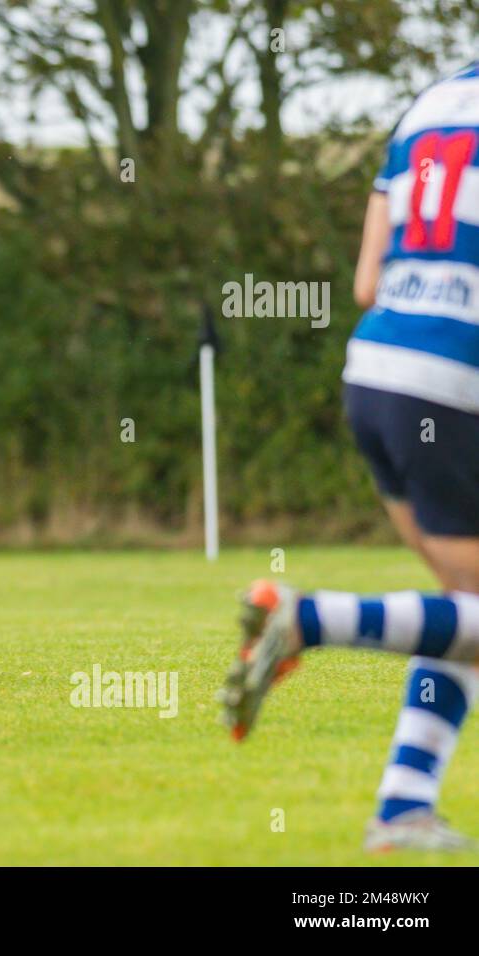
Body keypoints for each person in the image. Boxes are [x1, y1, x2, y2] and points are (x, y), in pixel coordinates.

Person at [222, 60, 479, 852]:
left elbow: (368, 280)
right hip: (452, 381)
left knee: (465, 610)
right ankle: (309, 617)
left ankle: (403, 811)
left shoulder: (428, 102)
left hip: (375, 375)